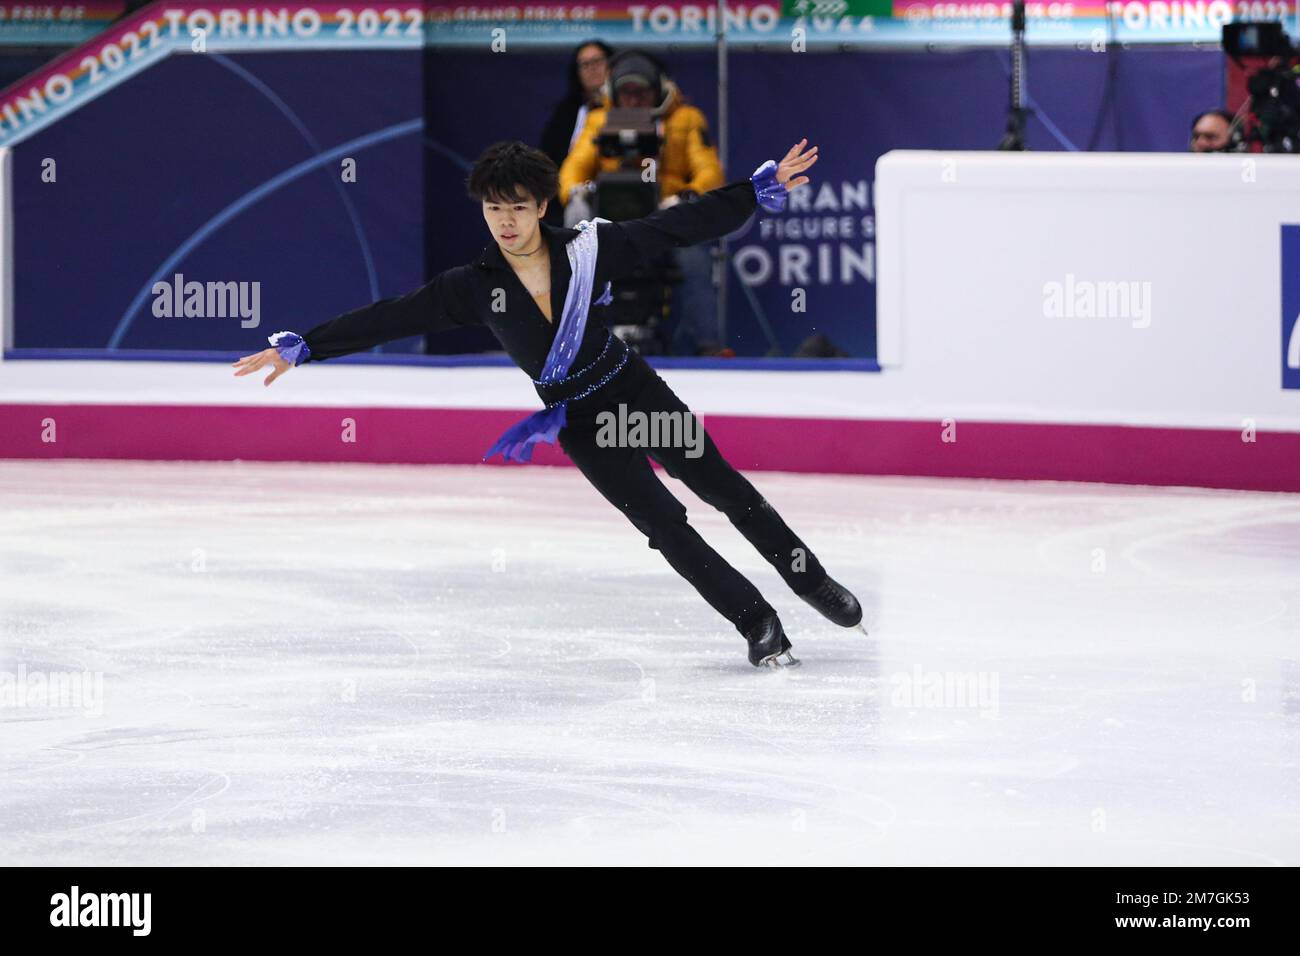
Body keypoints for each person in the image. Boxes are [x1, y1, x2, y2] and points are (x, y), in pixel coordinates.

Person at [232, 139, 864, 668]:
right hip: (578, 419)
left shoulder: (589, 249)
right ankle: (756, 622)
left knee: (722, 487)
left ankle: (809, 579)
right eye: (492, 209)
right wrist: (305, 346)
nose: (504, 221)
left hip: (631, 390)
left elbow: (674, 226)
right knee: (663, 525)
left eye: (516, 207)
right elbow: (391, 316)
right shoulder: (474, 286)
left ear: (540, 206)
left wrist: (752, 193)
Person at [558, 51, 727, 356]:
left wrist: (688, 193)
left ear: (657, 89)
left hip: (665, 218)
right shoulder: (598, 120)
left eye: (641, 92)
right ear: (614, 92)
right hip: (610, 223)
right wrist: (577, 191)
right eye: (627, 93)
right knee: (574, 214)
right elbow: (573, 167)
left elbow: (710, 170)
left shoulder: (686, 118)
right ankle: (571, 338)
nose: (634, 100)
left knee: (696, 260)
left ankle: (708, 345)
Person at [538, 40, 614, 228]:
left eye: (598, 61)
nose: (592, 69)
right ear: (577, 73)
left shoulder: (634, 106)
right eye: (585, 65)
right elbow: (552, 163)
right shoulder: (566, 114)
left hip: (627, 191)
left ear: (612, 65)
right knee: (577, 208)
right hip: (579, 194)